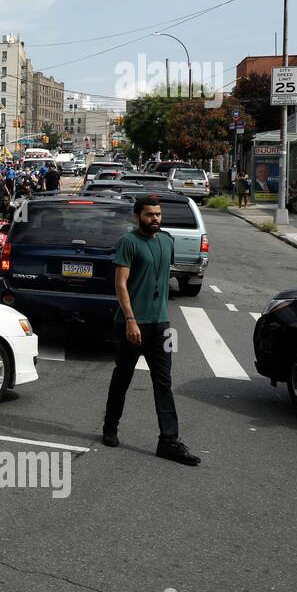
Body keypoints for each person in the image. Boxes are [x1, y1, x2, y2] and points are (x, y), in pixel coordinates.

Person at [103, 196, 200, 466]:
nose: (155, 218)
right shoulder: (128, 243)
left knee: (164, 383)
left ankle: (168, 442)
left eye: (158, 214)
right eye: (149, 214)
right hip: (131, 324)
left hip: (161, 326)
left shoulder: (167, 241)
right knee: (122, 378)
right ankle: (110, 427)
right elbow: (121, 285)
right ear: (137, 216)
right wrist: (131, 319)